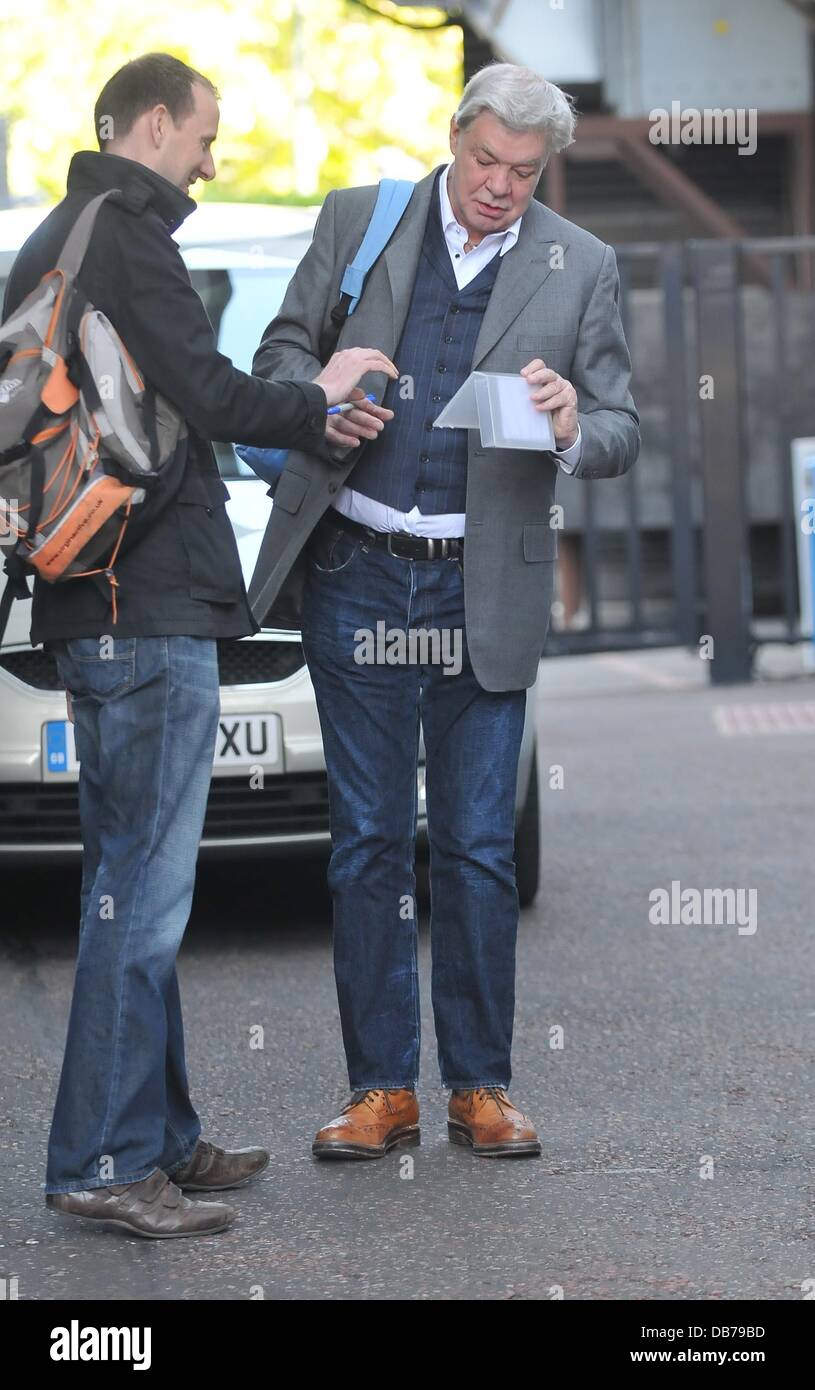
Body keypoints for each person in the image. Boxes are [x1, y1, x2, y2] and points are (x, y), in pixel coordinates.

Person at [2, 51, 396, 1236]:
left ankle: (158, 1137)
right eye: (205, 138)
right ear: (156, 123)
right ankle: (106, 1160)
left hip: (93, 600)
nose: (212, 163)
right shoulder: (125, 231)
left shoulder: (53, 240)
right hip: (142, 606)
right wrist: (323, 397)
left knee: (136, 893)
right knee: (141, 897)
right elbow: (218, 396)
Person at [248, 62, 639, 1159]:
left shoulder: (582, 266)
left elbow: (620, 431)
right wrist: (325, 384)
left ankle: (478, 1085)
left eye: (522, 172)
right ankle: (380, 1089)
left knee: (473, 846)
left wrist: (567, 424)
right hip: (358, 569)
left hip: (483, 586)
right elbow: (275, 355)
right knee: (367, 840)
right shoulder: (359, 222)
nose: (499, 188)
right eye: (483, 163)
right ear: (452, 138)